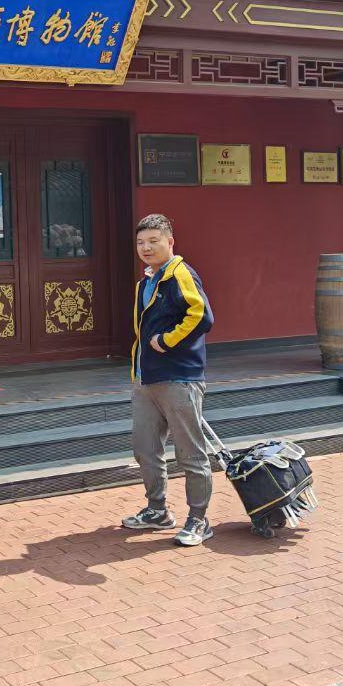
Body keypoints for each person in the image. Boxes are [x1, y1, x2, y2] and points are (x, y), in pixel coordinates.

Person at [121, 213, 217, 547]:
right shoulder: (145, 283)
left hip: (179, 378)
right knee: (145, 449)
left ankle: (199, 519)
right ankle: (157, 510)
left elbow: (201, 315)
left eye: (153, 241)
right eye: (140, 242)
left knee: (191, 454)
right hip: (146, 380)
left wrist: (166, 341)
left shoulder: (180, 274)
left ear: (170, 242)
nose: (146, 248)